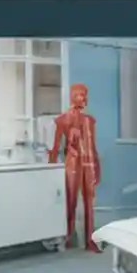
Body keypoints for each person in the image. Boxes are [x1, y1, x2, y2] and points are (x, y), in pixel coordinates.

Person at [49, 84, 103, 253]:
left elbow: (92, 146)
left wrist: (97, 167)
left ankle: (90, 240)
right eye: (80, 95)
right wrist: (51, 169)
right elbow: (56, 147)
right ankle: (67, 236)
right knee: (70, 201)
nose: (84, 98)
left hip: (88, 163)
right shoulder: (62, 120)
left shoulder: (90, 121)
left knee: (89, 203)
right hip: (73, 163)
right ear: (72, 96)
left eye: (85, 95)